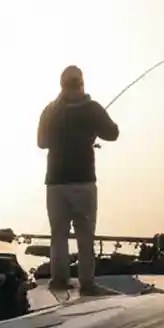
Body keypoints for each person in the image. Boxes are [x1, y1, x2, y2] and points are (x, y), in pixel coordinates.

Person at [36, 65, 120, 295]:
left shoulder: (50, 110)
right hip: (82, 182)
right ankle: (87, 284)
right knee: (85, 235)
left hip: (55, 183)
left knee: (59, 234)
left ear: (61, 85)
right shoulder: (92, 108)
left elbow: (41, 142)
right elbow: (113, 133)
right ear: (81, 84)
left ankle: (59, 280)